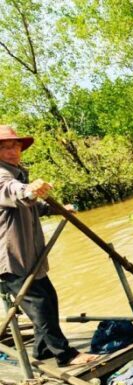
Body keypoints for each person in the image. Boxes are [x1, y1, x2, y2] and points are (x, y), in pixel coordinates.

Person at [0, 125, 97, 367]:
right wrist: (30, 189)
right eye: (5, 146)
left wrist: (57, 208)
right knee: (40, 306)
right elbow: (15, 193)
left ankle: (42, 350)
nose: (13, 150)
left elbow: (31, 204)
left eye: (15, 145)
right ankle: (65, 355)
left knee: (49, 300)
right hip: (11, 259)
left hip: (30, 257)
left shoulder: (17, 173)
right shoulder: (4, 177)